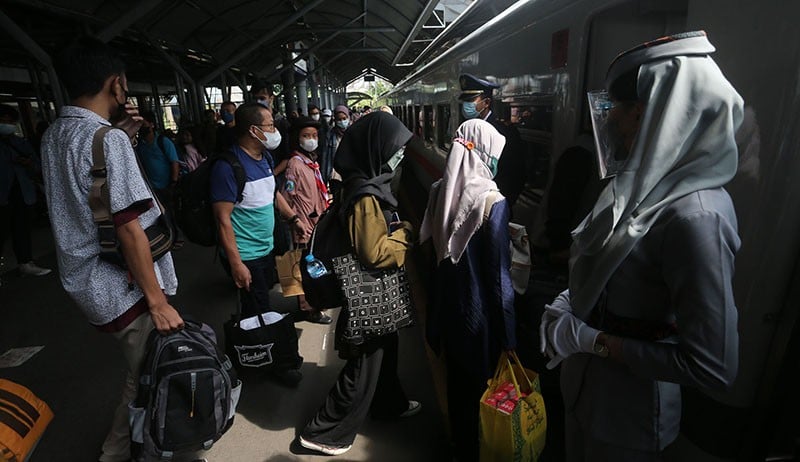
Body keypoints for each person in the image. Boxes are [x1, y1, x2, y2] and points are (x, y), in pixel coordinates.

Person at [539, 31, 742, 461]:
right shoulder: (641, 190)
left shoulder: (696, 216)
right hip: (584, 396)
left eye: (617, 108)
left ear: (650, 113)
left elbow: (713, 367)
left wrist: (593, 341)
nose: (609, 120)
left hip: (628, 422)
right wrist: (571, 301)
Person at [41, 36, 184, 462]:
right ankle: (119, 452)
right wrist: (158, 302)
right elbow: (128, 228)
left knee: (142, 371)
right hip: (121, 282)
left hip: (85, 277)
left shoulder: (55, 133)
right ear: (116, 83)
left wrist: (119, 139)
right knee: (147, 374)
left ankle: (131, 447)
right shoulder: (106, 139)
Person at [299, 112, 421, 456]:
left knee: (386, 348)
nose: (400, 154)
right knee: (366, 361)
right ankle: (324, 432)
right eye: (395, 148)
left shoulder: (362, 181)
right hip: (369, 291)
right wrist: (405, 234)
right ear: (375, 148)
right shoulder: (365, 195)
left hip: (371, 291)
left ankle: (389, 404)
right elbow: (375, 253)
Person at [420, 119, 516, 461]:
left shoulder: (438, 191)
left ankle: (459, 445)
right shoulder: (492, 201)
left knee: (456, 382)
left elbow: (429, 249)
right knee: (482, 389)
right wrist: (510, 339)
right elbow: (499, 279)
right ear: (484, 152)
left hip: (447, 309)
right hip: (479, 318)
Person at [210, 102, 311, 386]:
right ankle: (272, 363)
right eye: (270, 125)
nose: (275, 130)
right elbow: (222, 220)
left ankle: (253, 351)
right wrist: (236, 264)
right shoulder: (228, 167)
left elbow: (273, 193)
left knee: (257, 303)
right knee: (260, 307)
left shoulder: (264, 157)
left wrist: (293, 218)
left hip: (266, 248)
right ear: (254, 130)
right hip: (247, 254)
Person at [281, 116, 332, 324]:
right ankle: (308, 308)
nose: (311, 139)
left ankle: (314, 304)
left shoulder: (311, 162)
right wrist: (295, 220)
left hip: (315, 223)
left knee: (312, 266)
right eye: (306, 136)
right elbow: (287, 196)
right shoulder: (295, 164)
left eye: (314, 135)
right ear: (297, 138)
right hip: (303, 226)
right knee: (303, 268)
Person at [0, 104, 52, 280]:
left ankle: (26, 262)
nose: (6, 125)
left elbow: (37, 165)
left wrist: (28, 164)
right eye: (3, 121)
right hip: (4, 194)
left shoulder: (20, 143)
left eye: (9, 121)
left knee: (21, 229)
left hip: (23, 193)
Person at [458, 74, 526, 208]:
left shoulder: (504, 132)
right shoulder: (467, 129)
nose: (466, 105)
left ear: (487, 103)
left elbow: (516, 174)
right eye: (465, 100)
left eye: (471, 100)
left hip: (492, 203)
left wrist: (501, 205)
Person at [135, 110, 184, 249]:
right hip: (152, 187)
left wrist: (173, 182)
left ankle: (177, 237)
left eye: (143, 124)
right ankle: (168, 238)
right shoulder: (140, 144)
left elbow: (174, 162)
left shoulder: (163, 142)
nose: (141, 127)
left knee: (172, 213)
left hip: (167, 185)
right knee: (160, 214)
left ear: (151, 124)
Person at [320, 105, 349, 188]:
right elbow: (325, 158)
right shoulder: (329, 136)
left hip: (350, 174)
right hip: (335, 176)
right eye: (339, 119)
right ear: (335, 120)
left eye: (344, 118)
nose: (342, 121)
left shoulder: (353, 133)